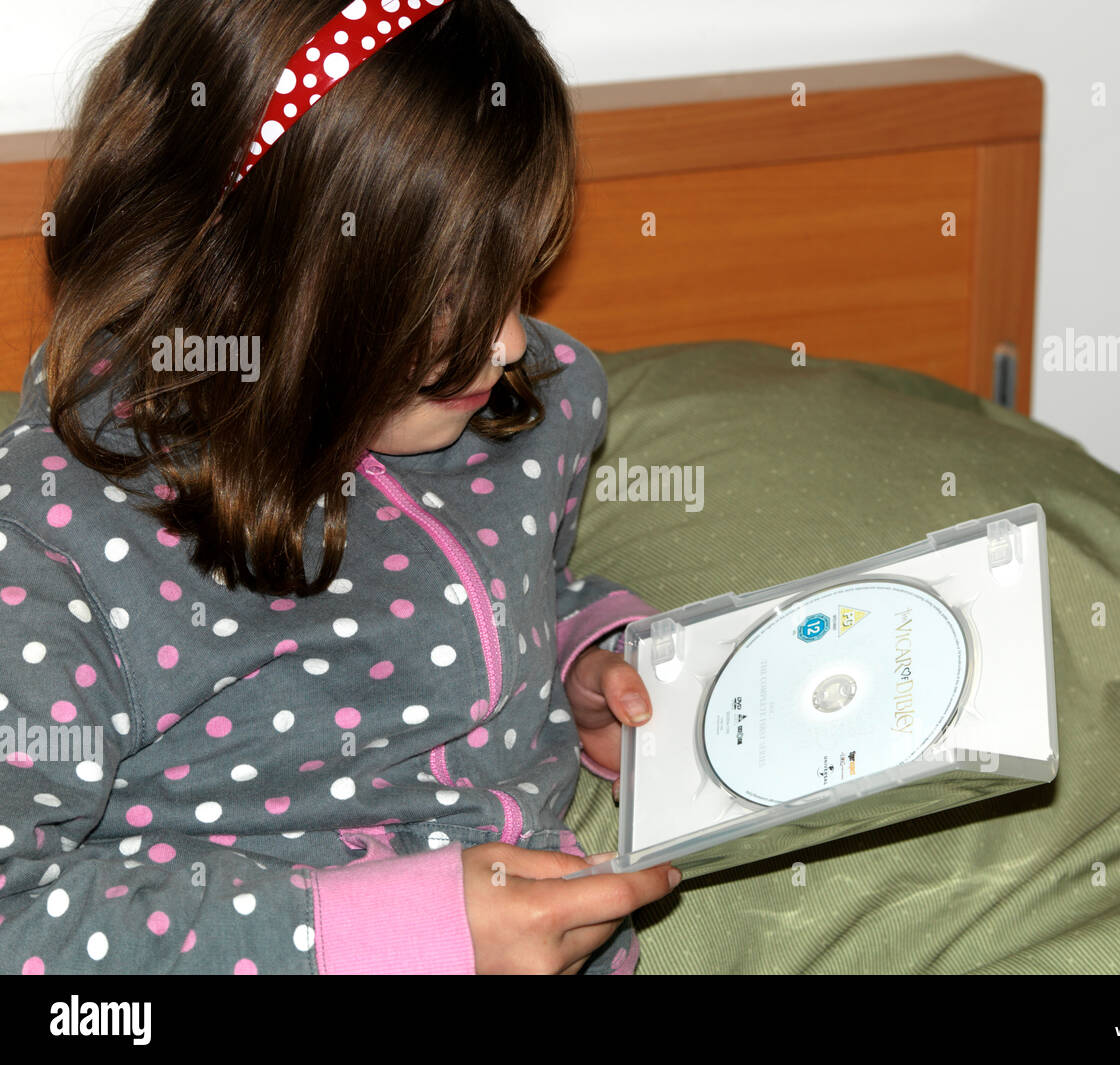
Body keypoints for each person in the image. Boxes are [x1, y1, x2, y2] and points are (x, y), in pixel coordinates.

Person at [0, 0, 680, 975]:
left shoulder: (523, 409)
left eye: (512, 275)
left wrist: (573, 655)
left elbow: (493, 584)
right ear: (242, 267)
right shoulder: (59, 535)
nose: (508, 342)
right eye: (439, 295)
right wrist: (370, 939)